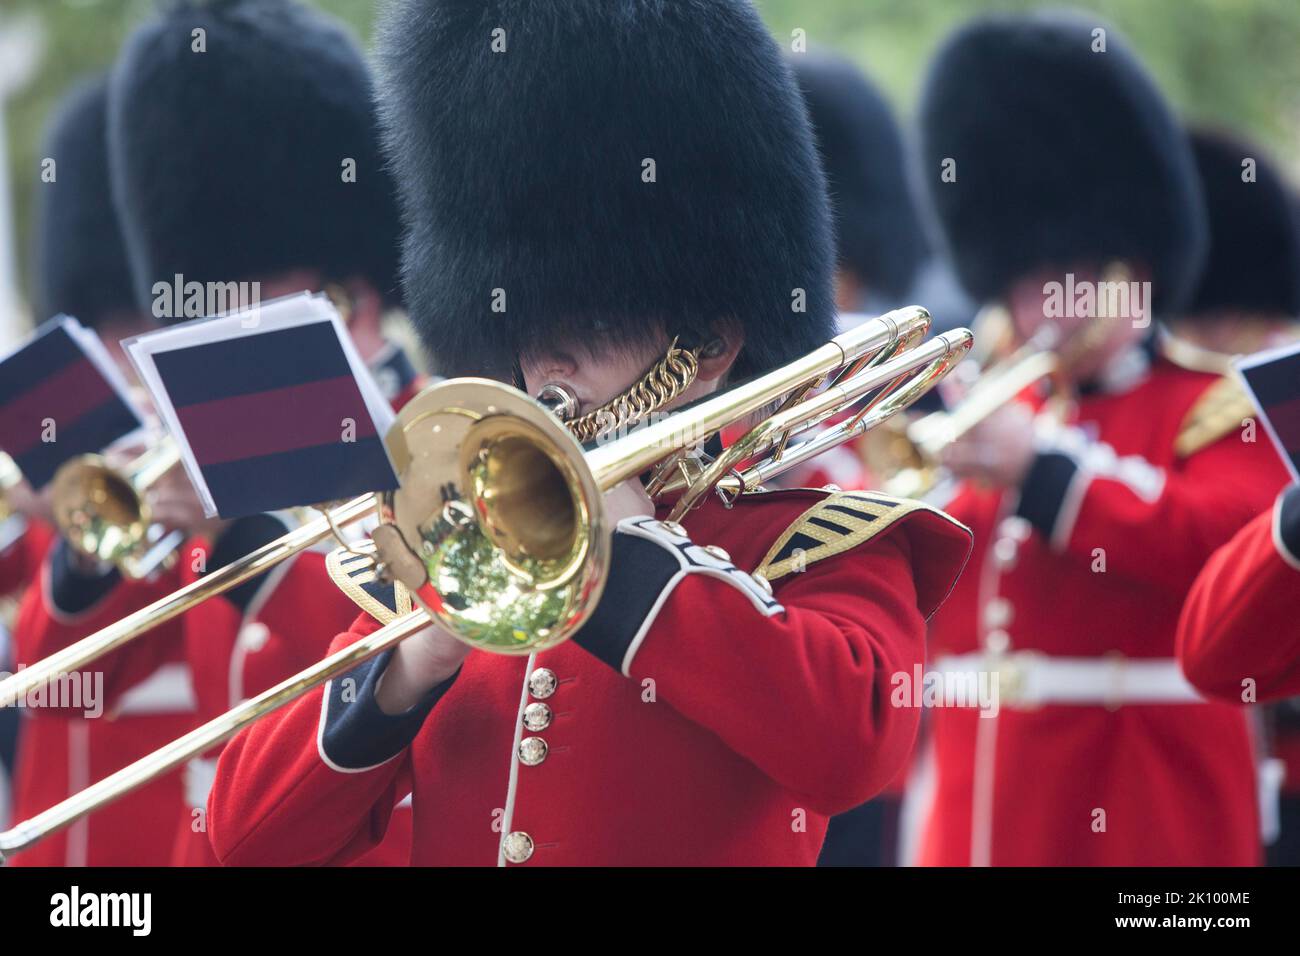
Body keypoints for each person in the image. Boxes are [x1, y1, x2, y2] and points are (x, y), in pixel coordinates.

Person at [205, 0, 973, 867]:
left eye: (594, 317)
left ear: (709, 346)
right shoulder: (459, 547)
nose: (546, 348)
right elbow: (245, 838)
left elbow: (854, 753)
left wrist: (634, 547)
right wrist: (403, 673)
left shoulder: (809, 544)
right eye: (527, 317)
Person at [18, 0, 417, 866]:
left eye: (257, 292)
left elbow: (403, 664)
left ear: (354, 298)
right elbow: (59, 678)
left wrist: (242, 536)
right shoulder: (202, 439)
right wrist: (92, 546)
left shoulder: (434, 435)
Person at [911, 11, 1290, 866]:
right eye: (1026, 282)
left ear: (1136, 274)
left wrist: (1044, 472)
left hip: (1142, 807)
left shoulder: (1215, 406)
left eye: (1069, 280)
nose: (1045, 308)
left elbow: (1228, 554)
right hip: (982, 805)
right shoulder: (1001, 410)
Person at [4, 76, 193, 867]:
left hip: (159, 820)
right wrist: (41, 513)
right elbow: (46, 667)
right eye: (111, 331)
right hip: (55, 822)